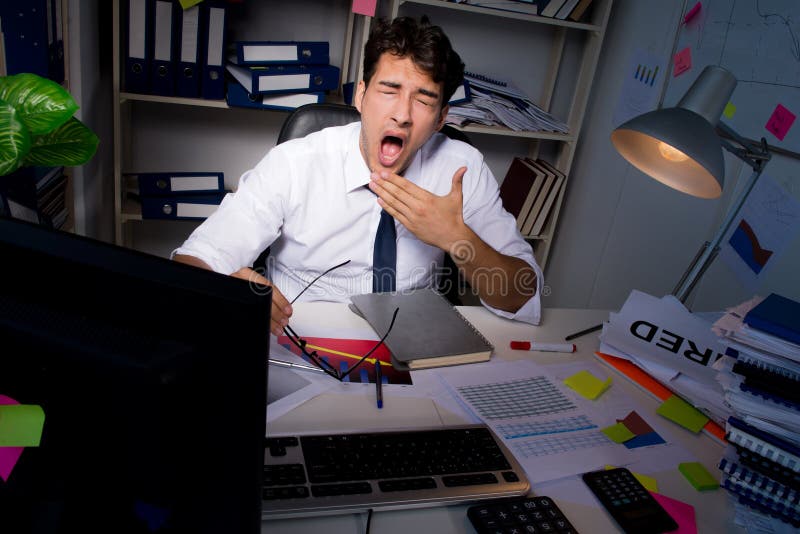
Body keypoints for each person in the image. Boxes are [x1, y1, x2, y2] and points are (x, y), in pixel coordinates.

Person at [173, 16, 543, 336]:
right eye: (389, 90)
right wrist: (227, 289)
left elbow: (522, 295)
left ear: (442, 118)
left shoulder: (462, 169)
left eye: (424, 99)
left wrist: (457, 238)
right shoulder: (295, 164)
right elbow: (190, 265)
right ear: (361, 96)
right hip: (299, 334)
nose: (403, 114)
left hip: (416, 339)